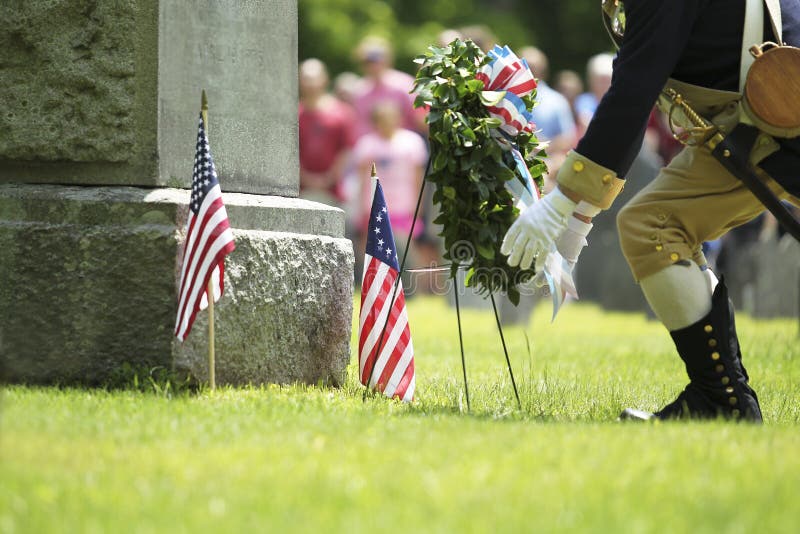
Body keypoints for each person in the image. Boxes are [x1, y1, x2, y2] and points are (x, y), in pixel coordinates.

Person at [501, 0, 800, 422]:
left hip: (775, 119)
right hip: (758, 122)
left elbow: (633, 91)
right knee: (655, 223)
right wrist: (574, 230)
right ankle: (721, 399)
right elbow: (638, 88)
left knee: (654, 223)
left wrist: (562, 202)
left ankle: (722, 399)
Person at [298, 58, 356, 206]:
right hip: (299, 191)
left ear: (325, 79)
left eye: (314, 78)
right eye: (306, 78)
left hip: (334, 192)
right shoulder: (293, 114)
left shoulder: (342, 113)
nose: (310, 84)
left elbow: (347, 150)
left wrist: (329, 179)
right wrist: (305, 178)